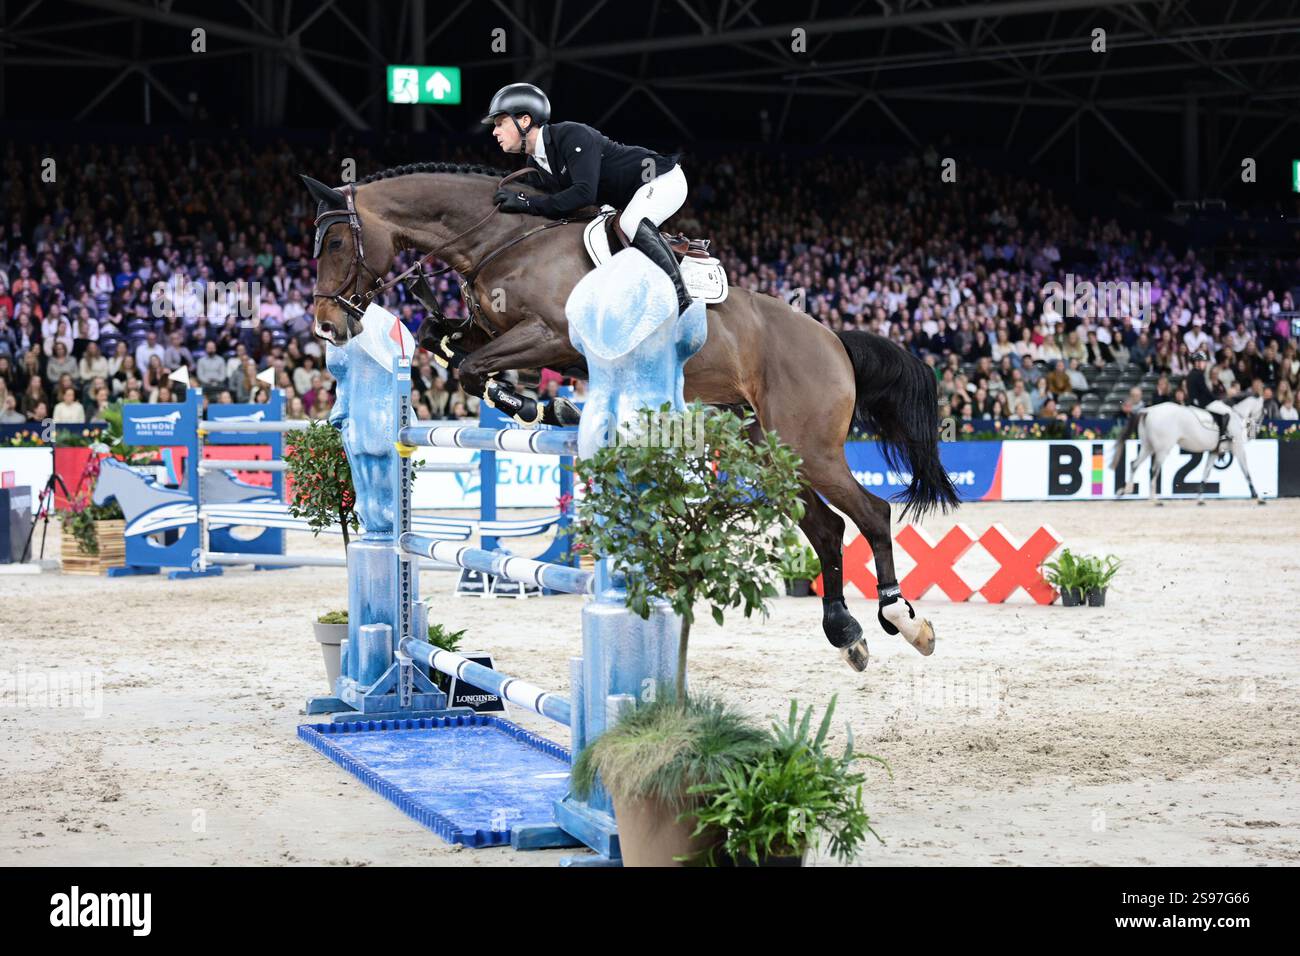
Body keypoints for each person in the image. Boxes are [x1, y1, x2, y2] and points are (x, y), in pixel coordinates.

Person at [483, 82, 690, 313]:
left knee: (630, 222)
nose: (494, 131)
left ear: (524, 120)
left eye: (500, 123)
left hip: (659, 179)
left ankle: (681, 300)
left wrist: (528, 203)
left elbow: (583, 193)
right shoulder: (536, 163)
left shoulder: (571, 134)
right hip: (627, 198)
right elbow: (555, 207)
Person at [1186, 350, 1230, 447]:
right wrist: (1216, 399)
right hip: (1201, 403)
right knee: (1225, 413)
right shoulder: (1198, 374)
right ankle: (1222, 436)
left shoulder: (1192, 374)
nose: (1204, 364)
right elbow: (1205, 391)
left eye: (1204, 362)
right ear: (1196, 362)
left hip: (1194, 402)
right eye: (1203, 361)